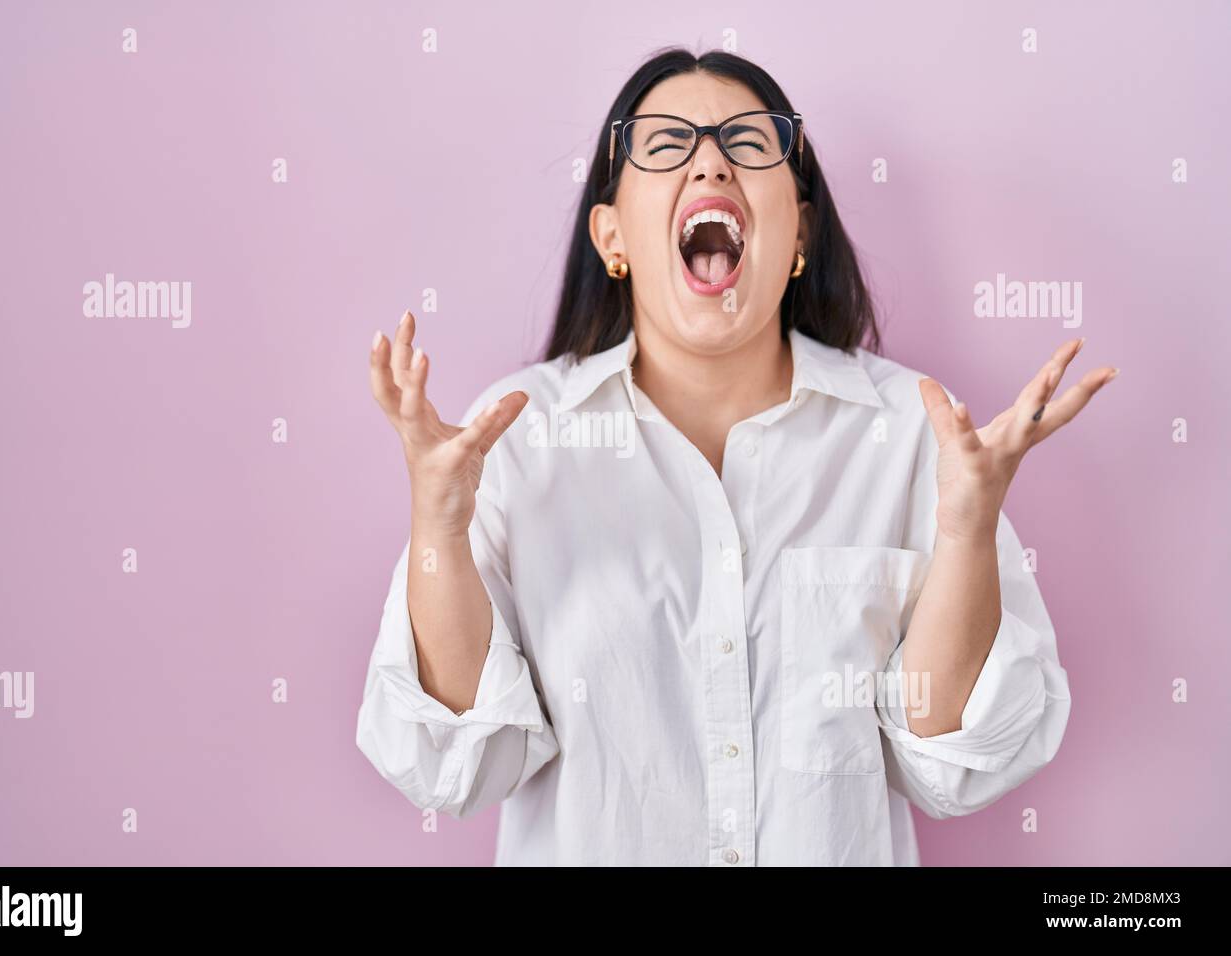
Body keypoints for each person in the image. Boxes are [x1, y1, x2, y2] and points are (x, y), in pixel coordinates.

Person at [355, 47, 1115, 866]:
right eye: (665, 144)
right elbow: (463, 764)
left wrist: (968, 531)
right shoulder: (517, 437)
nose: (711, 160)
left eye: (750, 143)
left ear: (799, 232)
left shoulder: (914, 431)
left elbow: (951, 764)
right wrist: (438, 529)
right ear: (612, 236)